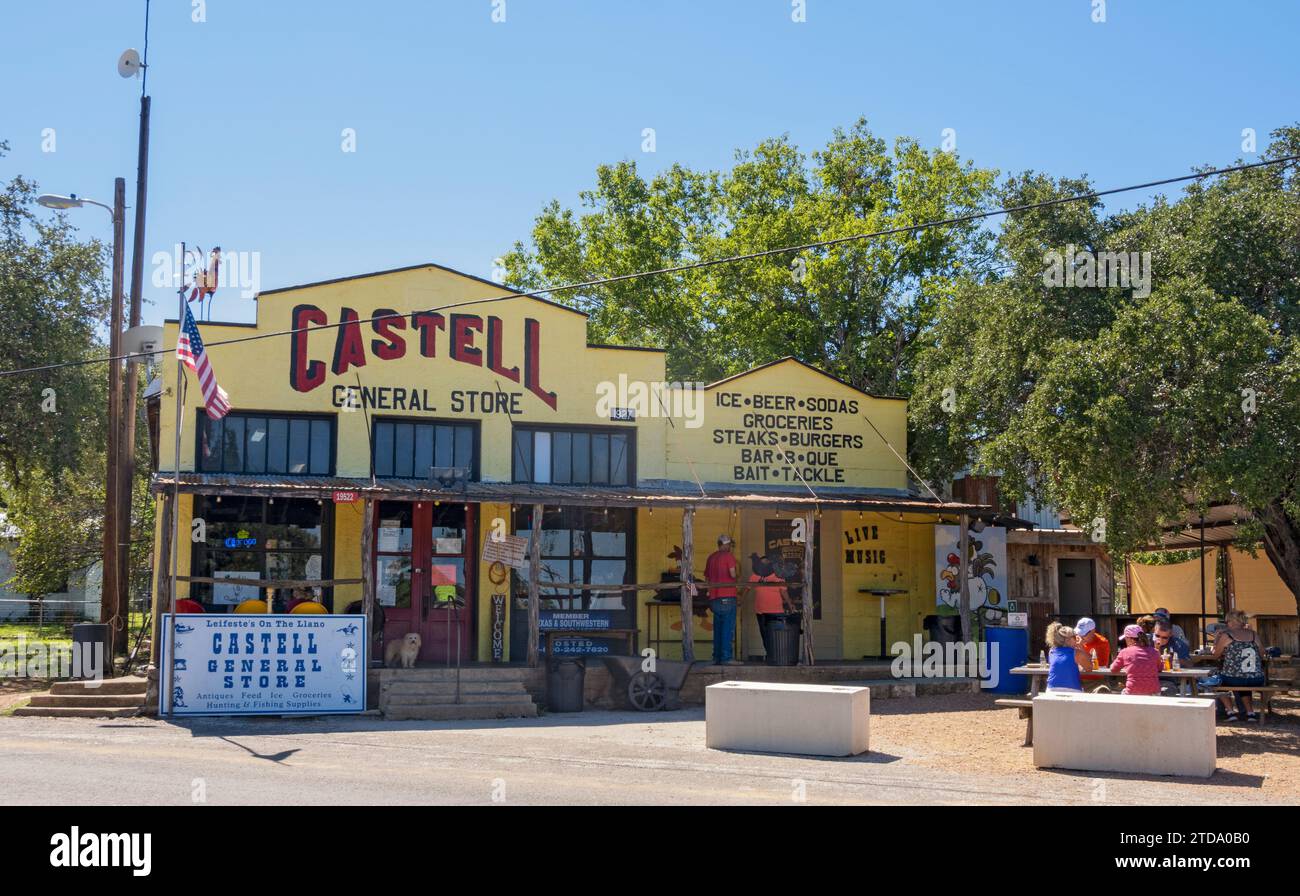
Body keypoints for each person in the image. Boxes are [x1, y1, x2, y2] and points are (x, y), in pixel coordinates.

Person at [1212, 609, 1267, 722]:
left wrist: (1216, 640)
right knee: (1244, 677)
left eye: (1226, 622)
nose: (1226, 624)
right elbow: (1262, 654)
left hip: (1234, 678)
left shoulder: (1227, 635)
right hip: (1256, 678)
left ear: (1231, 622)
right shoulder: (1253, 634)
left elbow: (1216, 655)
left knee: (1216, 679)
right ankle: (1250, 713)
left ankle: (1230, 712)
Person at [704, 534, 741, 665]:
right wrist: (737, 575)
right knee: (727, 628)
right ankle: (726, 658)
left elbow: (707, 578)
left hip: (714, 598)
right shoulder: (728, 556)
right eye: (730, 544)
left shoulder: (711, 557)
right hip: (728, 596)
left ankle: (716, 657)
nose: (730, 547)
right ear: (725, 545)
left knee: (718, 628)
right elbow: (732, 574)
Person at [749, 554, 792, 659]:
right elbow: (747, 588)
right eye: (762, 563)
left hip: (776, 610)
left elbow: (783, 591)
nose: (764, 564)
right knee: (765, 635)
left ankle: (780, 656)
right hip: (761, 611)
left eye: (766, 562)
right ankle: (771, 655)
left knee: (778, 635)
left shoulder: (778, 574)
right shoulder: (755, 575)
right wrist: (741, 599)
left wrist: (790, 603)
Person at [1110, 624, 1161, 696]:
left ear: (1129, 639)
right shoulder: (1155, 651)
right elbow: (1160, 668)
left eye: (1125, 639)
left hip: (1133, 691)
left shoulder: (1125, 652)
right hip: (1153, 692)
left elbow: (1113, 669)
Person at [1045, 622, 1090, 692]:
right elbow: (1089, 668)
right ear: (1068, 640)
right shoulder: (1077, 653)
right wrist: (1080, 646)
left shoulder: (1052, 651)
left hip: (1051, 689)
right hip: (1073, 690)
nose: (1077, 639)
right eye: (1075, 637)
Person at [1076, 617, 1110, 685]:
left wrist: (1081, 648)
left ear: (1092, 631)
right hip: (1077, 679)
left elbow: (1100, 668)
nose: (1080, 636)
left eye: (1083, 633)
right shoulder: (1074, 638)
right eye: (1078, 633)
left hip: (1095, 681)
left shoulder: (1102, 643)